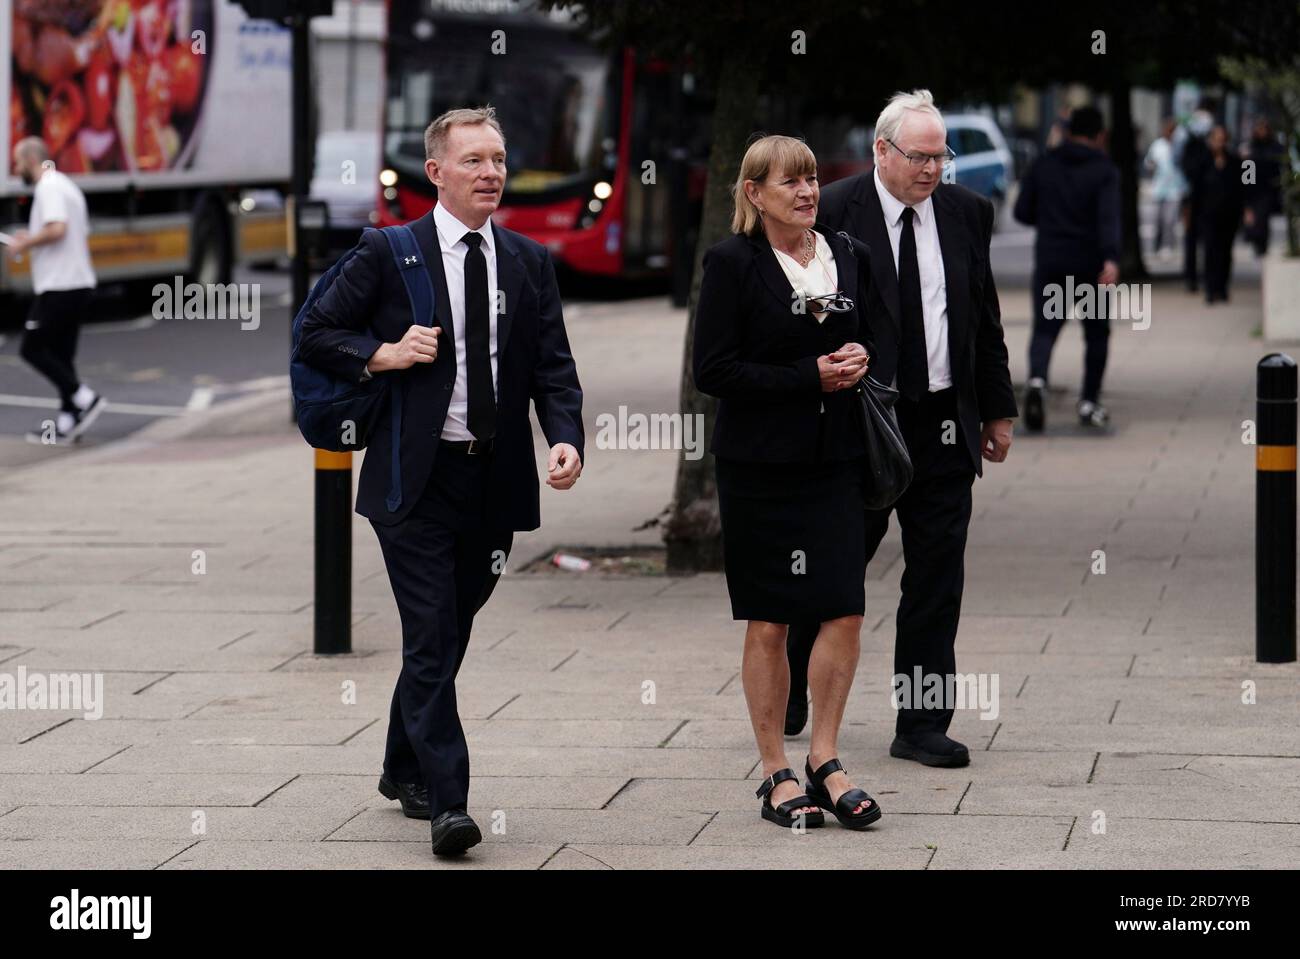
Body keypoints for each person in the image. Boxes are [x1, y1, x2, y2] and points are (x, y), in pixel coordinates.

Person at [297, 106, 584, 857]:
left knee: (446, 634)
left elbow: (553, 367)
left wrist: (565, 440)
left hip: (492, 484)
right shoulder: (390, 252)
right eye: (474, 160)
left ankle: (400, 765)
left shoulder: (527, 260)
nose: (491, 172)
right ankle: (448, 802)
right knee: (430, 634)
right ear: (436, 172)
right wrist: (382, 354)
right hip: (412, 481)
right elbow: (314, 332)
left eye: (498, 158)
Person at [785, 90, 1018, 768]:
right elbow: (794, 315)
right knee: (837, 565)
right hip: (861, 420)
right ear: (882, 150)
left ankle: (920, 722)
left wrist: (996, 409)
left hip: (944, 419)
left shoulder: (967, 212)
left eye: (941, 155)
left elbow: (983, 320)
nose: (933, 169)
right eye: (919, 156)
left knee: (937, 574)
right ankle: (796, 670)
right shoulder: (832, 211)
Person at [693, 134, 882, 831]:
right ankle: (775, 768)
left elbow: (874, 336)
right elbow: (712, 371)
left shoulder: (846, 254)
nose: (806, 191)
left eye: (810, 178)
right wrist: (810, 377)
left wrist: (862, 352)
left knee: (843, 608)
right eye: (788, 182)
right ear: (753, 193)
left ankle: (825, 760)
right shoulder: (731, 263)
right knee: (769, 618)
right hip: (760, 467)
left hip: (837, 460)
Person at [1014, 105, 1121, 431]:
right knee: (1096, 334)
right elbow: (1108, 218)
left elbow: (1021, 211)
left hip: (1052, 260)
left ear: (1069, 129)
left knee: (1045, 329)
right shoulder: (1104, 170)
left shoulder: (1044, 164)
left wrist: (1049, 220)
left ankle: (1036, 381)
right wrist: (1111, 258)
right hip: (1091, 265)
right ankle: (1089, 402)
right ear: (1100, 135)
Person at [9, 137, 106, 444]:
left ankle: (84, 397)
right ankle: (67, 422)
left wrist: (25, 243)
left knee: (32, 348)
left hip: (60, 284)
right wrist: (33, 236)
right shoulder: (66, 186)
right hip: (78, 282)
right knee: (62, 355)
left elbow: (58, 228)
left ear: (30, 159)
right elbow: (67, 231)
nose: (16, 168)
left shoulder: (48, 187)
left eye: (17, 161)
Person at [1197, 124, 1246, 304]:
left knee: (1225, 252)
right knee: (1210, 251)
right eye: (1216, 139)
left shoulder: (1236, 161)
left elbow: (1245, 185)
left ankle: (1222, 288)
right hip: (1208, 214)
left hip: (1229, 214)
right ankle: (1210, 289)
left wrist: (1246, 209)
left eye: (1222, 139)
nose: (1219, 143)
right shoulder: (1203, 161)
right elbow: (1195, 190)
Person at [1179, 106, 1215, 293]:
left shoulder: (1210, 147)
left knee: (1207, 241)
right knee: (1192, 240)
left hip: (1207, 200)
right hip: (1193, 200)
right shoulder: (1191, 146)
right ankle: (1191, 278)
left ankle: (1205, 278)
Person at [1144, 118, 1187, 258]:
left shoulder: (1180, 145)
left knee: (1169, 219)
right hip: (1159, 187)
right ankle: (1157, 245)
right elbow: (1148, 162)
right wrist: (1152, 165)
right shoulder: (1158, 145)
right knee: (1158, 219)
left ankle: (1167, 246)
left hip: (1175, 188)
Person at [1242, 118, 1282, 257]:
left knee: (1262, 218)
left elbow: (1280, 168)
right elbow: (1247, 171)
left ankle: (1261, 245)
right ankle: (1255, 240)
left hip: (1268, 189)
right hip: (1252, 188)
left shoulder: (1275, 147)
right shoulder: (1251, 148)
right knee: (1253, 218)